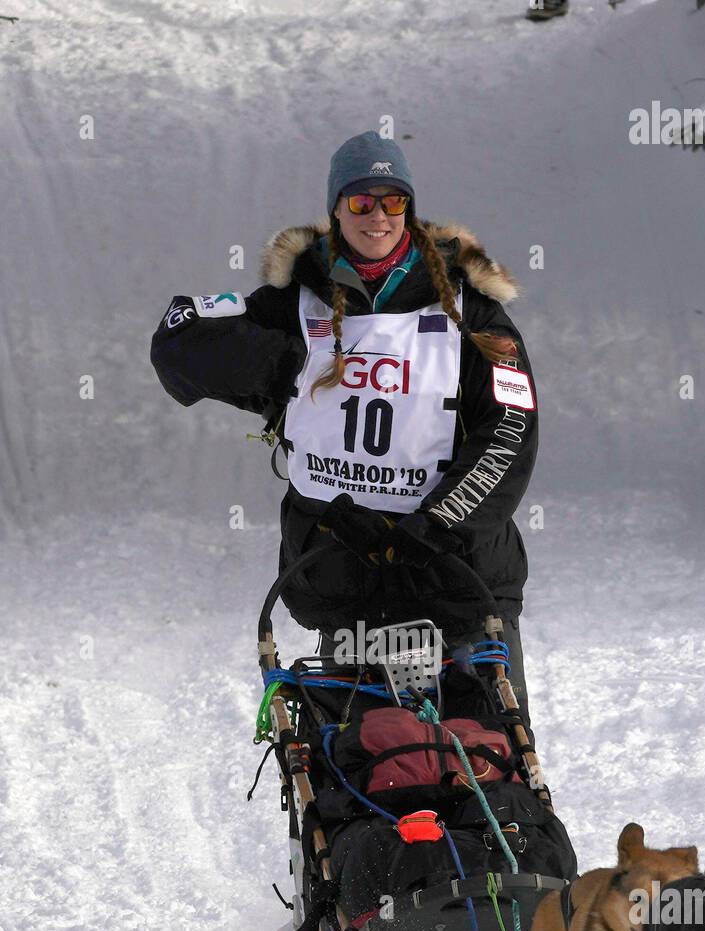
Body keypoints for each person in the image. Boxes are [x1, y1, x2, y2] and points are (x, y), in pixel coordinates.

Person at [150, 131, 539, 731]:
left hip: (460, 578)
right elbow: (178, 341)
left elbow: (510, 433)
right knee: (363, 769)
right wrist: (284, 371)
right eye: (360, 202)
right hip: (346, 571)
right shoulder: (295, 301)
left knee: (488, 765)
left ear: (408, 208)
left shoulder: (470, 305)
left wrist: (436, 524)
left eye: (393, 201)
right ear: (335, 209)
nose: (377, 215)